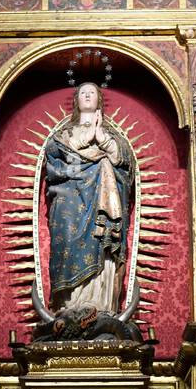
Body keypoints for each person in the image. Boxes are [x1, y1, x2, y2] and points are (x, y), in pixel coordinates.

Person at [42, 81, 135, 315]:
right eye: (82, 92)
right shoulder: (63, 134)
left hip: (101, 202)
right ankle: (68, 304)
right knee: (67, 242)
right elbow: (54, 161)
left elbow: (123, 163)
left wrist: (101, 138)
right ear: (76, 100)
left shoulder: (111, 135)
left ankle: (100, 306)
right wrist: (85, 138)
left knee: (100, 242)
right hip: (69, 203)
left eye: (91, 92)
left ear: (99, 100)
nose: (86, 95)